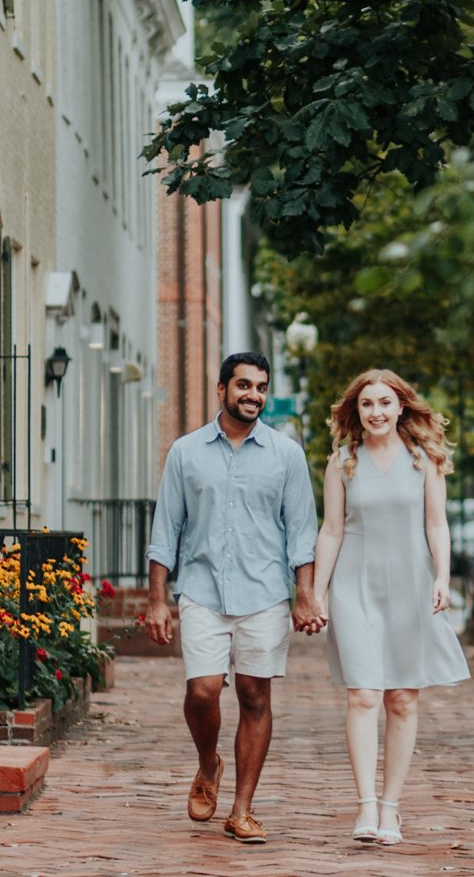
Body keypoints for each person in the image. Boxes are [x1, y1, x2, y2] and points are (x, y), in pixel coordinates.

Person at [143, 351, 325, 845]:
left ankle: (242, 810)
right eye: (244, 385)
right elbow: (166, 530)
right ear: (222, 389)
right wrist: (157, 600)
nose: (254, 395)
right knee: (202, 691)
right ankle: (208, 764)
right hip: (202, 589)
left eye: (261, 387)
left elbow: (301, 533)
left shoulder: (287, 455)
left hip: (264, 593)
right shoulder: (185, 452)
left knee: (254, 695)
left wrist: (305, 595)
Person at [313, 368, 470, 846]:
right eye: (367, 404)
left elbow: (437, 525)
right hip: (354, 587)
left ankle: (391, 808)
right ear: (356, 411)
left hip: (410, 586)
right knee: (363, 695)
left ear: (401, 407)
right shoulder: (342, 462)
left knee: (402, 698)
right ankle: (365, 805)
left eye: (384, 402)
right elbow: (331, 531)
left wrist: (442, 577)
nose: (376, 411)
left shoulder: (425, 460)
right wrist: (318, 593)